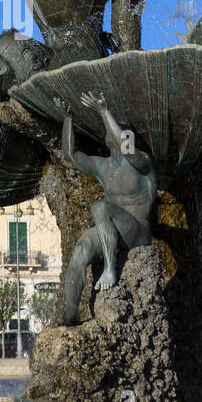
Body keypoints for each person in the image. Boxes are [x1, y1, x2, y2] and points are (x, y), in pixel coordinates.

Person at [52, 92, 157, 326]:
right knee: (81, 249)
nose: (117, 136)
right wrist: (68, 119)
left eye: (121, 132)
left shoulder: (141, 162)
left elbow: (127, 149)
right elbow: (70, 155)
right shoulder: (103, 166)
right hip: (113, 230)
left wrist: (103, 111)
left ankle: (110, 269)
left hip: (138, 231)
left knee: (101, 207)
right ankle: (71, 312)